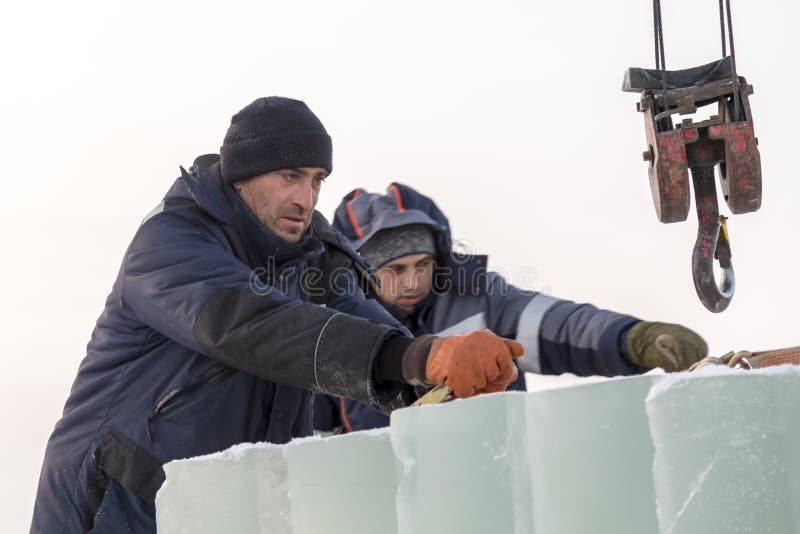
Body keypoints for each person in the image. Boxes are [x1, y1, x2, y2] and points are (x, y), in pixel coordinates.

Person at [31, 99, 523, 533]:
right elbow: (253, 326)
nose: (305, 199)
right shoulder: (170, 243)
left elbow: (372, 333)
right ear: (242, 175)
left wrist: (440, 370)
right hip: (113, 504)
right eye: (289, 177)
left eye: (316, 181)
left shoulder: (313, 259)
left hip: (222, 510)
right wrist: (414, 356)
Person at [314, 182, 708, 433]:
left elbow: (561, 327)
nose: (413, 281)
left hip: (498, 493)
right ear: (362, 272)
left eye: (423, 265)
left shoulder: (480, 301)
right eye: (395, 270)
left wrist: (632, 339)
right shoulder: (332, 328)